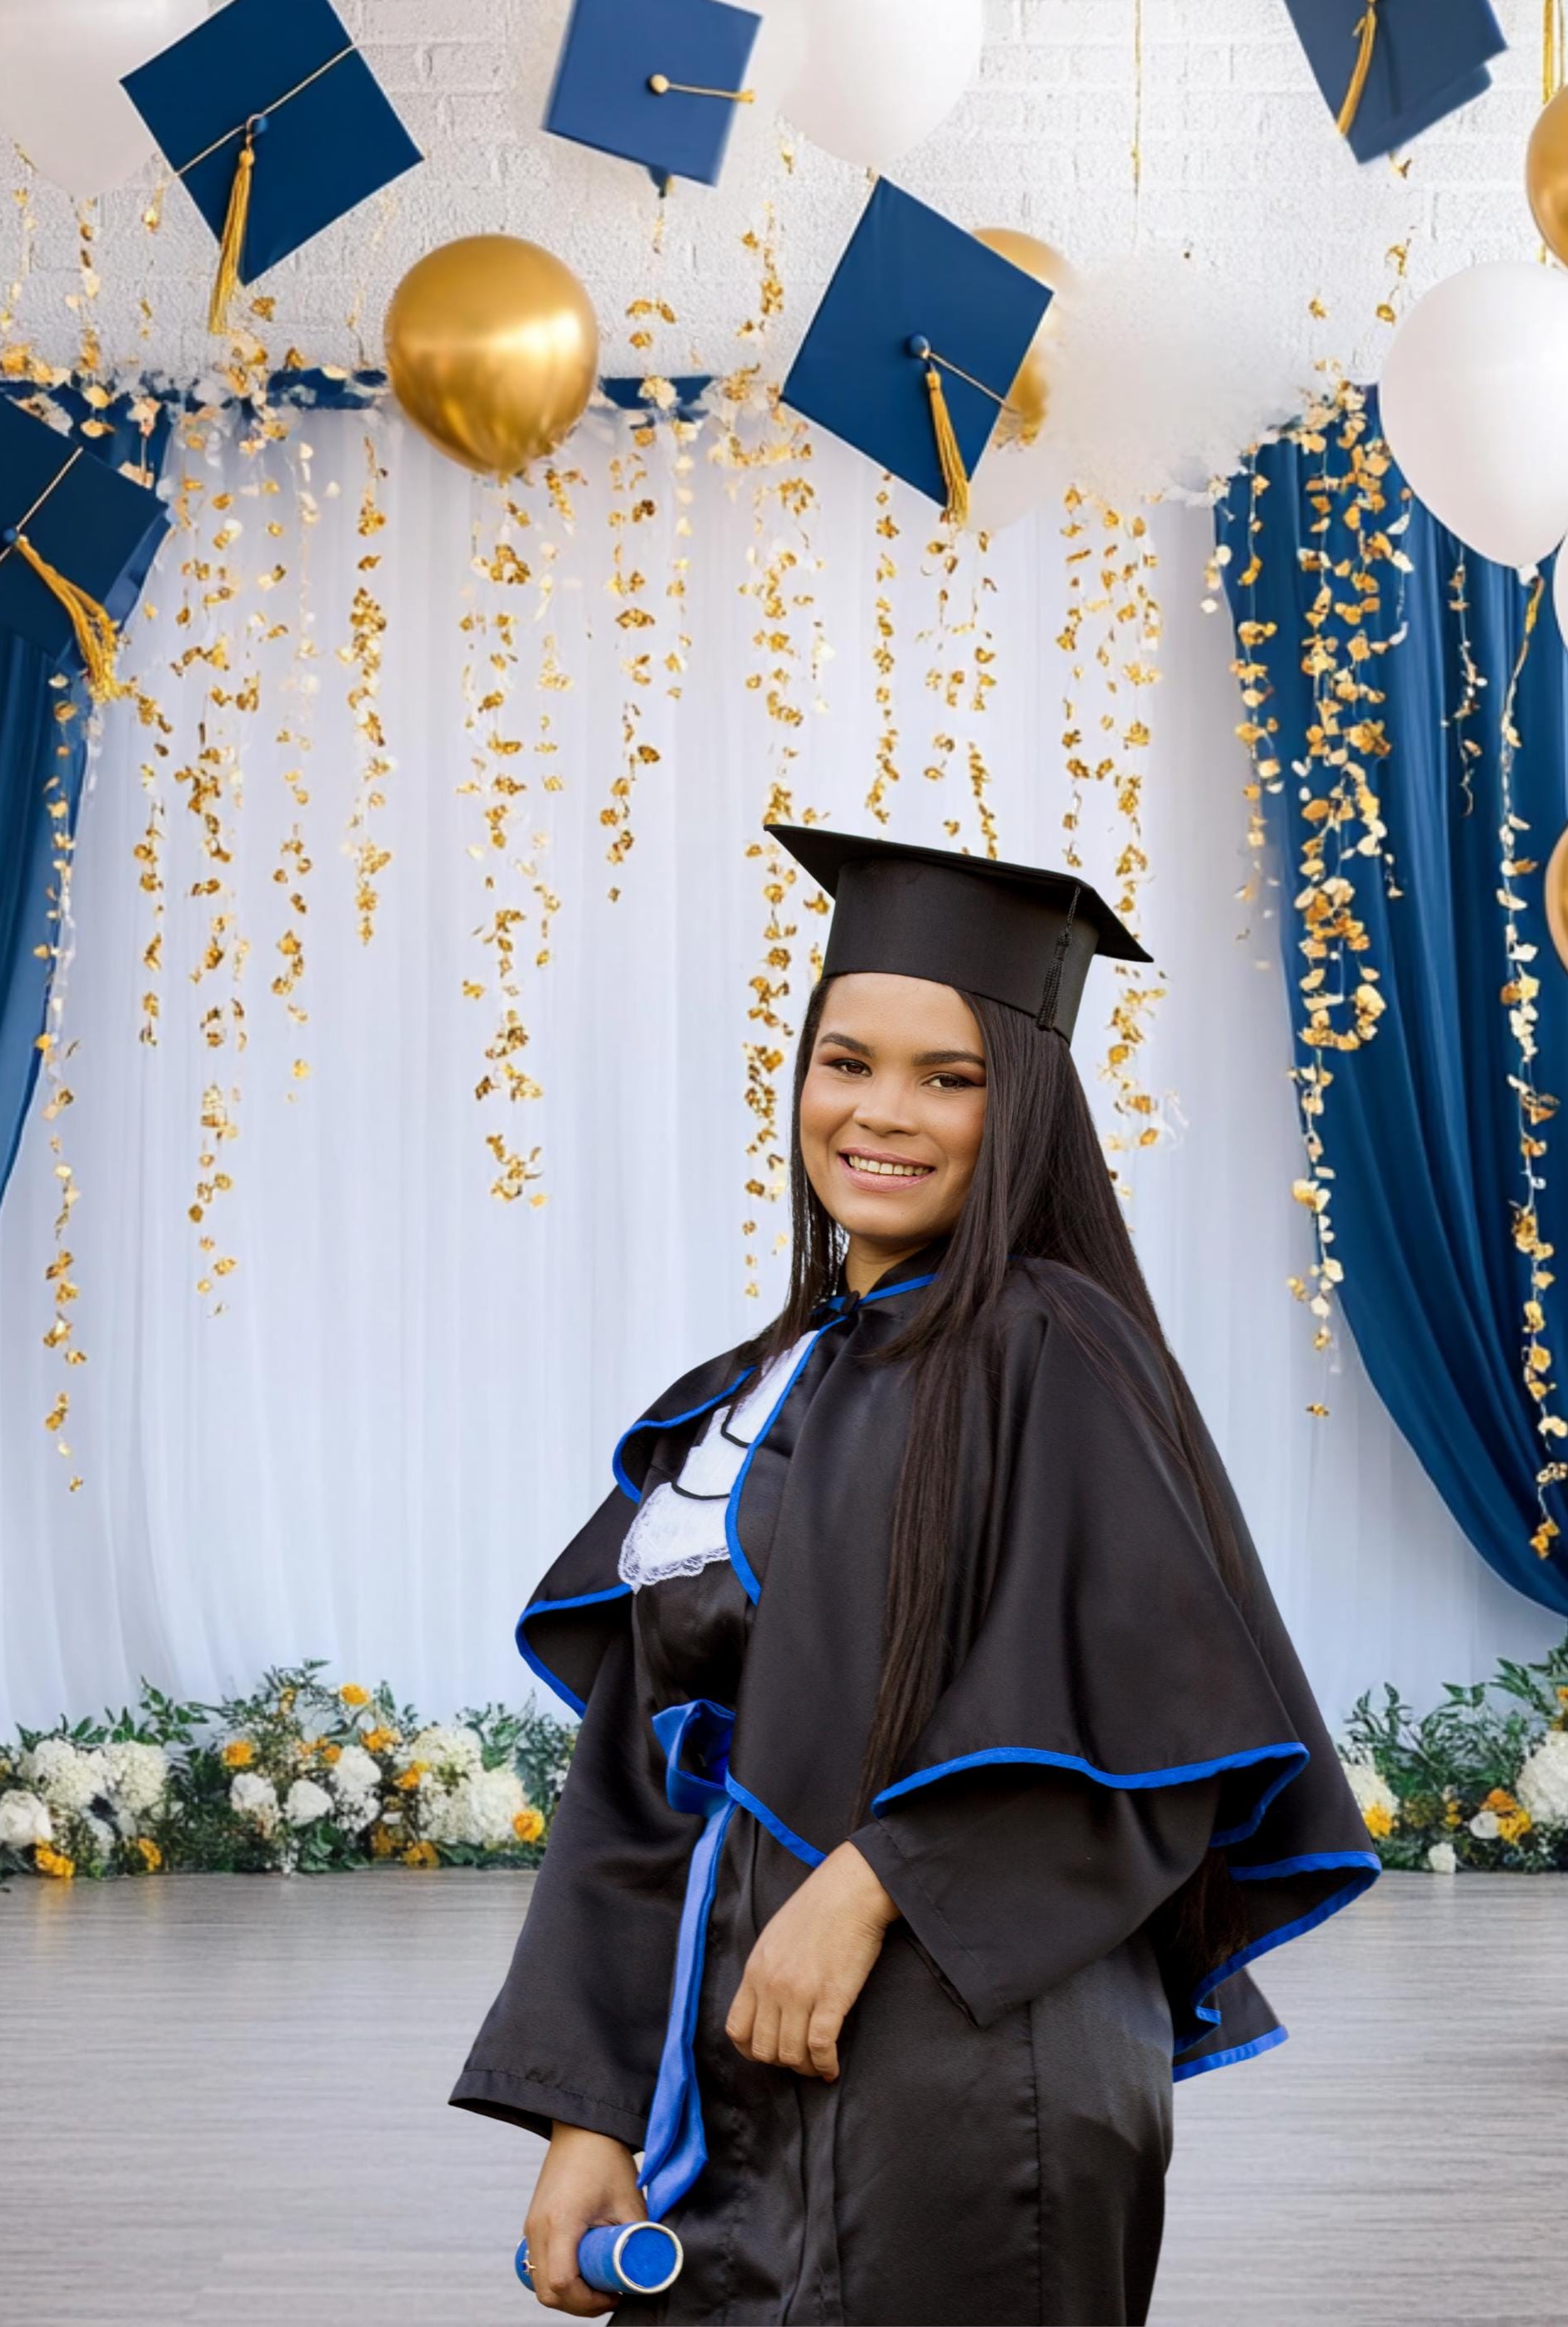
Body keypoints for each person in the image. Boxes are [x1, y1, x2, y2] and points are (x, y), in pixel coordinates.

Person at [451, 825, 1379, 2325]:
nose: (883, 1113)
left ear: (1021, 1114)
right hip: (728, 2068)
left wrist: (877, 1880)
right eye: (846, 1062)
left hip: (971, 2068)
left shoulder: (1054, 1350)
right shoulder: (748, 1396)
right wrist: (588, 2113)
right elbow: (636, 1781)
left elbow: (1157, 1725)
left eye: (950, 1078)